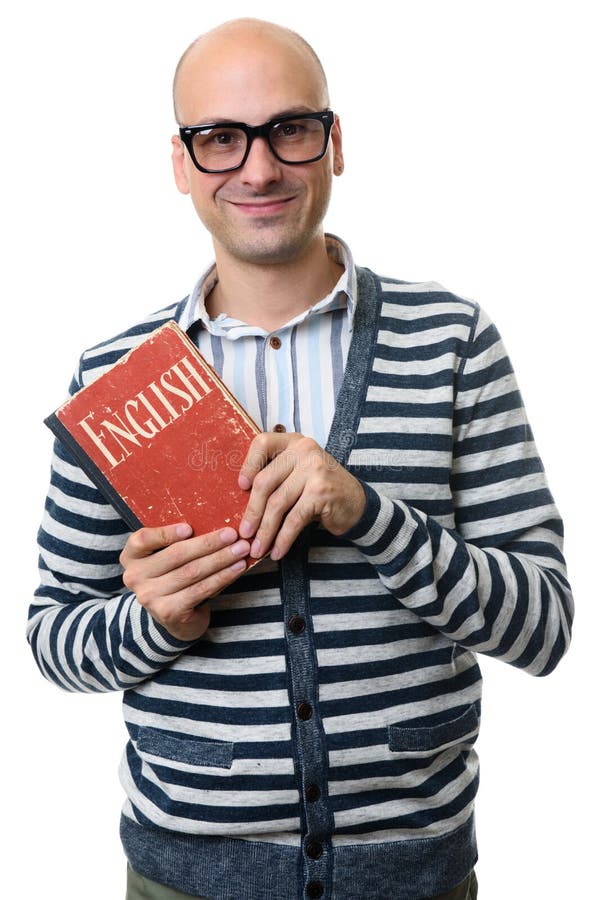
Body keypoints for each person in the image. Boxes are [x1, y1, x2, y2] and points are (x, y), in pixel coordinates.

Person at [28, 17, 573, 900]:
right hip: (185, 878)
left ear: (335, 143)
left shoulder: (451, 342)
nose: (257, 169)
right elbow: (54, 638)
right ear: (180, 163)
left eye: (289, 128)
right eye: (219, 137)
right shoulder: (119, 380)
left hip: (412, 878)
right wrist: (156, 621)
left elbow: (543, 627)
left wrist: (368, 513)